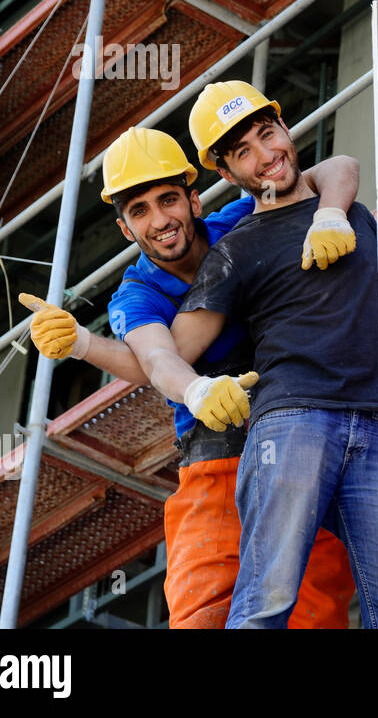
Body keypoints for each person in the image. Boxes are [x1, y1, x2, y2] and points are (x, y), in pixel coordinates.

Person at [21, 124, 360, 627]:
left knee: (312, 606)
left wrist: (329, 212)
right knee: (202, 611)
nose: (160, 220)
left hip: (305, 435)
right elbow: (158, 360)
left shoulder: (243, 219)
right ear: (125, 229)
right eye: (139, 211)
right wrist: (196, 388)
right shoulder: (135, 294)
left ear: (194, 201)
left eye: (168, 200)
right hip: (216, 458)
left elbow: (338, 168)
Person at [150, 80, 378, 629]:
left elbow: (341, 168)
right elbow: (173, 351)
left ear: (284, 127)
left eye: (267, 133)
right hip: (293, 423)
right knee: (266, 604)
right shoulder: (237, 246)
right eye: (242, 153)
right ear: (227, 175)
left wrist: (334, 213)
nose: (266, 155)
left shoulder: (355, 212)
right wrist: (92, 346)